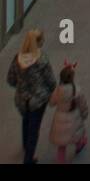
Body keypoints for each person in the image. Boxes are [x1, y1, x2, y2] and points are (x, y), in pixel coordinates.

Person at [7, 28, 56, 165]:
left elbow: (11, 79)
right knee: (34, 128)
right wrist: (51, 91)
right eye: (42, 39)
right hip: (38, 100)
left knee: (26, 120)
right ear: (38, 42)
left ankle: (25, 145)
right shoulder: (42, 60)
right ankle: (29, 158)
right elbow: (51, 81)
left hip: (22, 99)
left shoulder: (17, 59)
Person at [48, 62, 89, 163]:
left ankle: (61, 160)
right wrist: (84, 114)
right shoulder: (76, 90)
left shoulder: (57, 91)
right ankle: (79, 146)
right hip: (74, 117)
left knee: (61, 145)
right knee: (77, 134)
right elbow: (82, 104)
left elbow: (51, 102)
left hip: (60, 118)